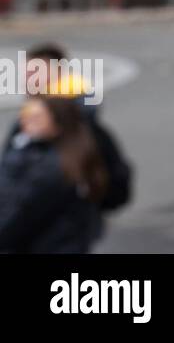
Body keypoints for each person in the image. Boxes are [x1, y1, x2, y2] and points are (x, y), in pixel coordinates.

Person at [3, 43, 132, 216]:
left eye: (35, 73)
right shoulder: (26, 123)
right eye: (27, 74)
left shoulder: (83, 131)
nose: (27, 81)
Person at [0, 95, 107, 252]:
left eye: (36, 118)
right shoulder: (32, 147)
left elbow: (19, 215)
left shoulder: (51, 169)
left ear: (57, 122)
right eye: (25, 115)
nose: (25, 123)